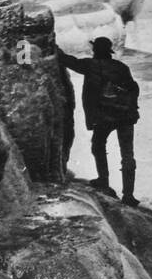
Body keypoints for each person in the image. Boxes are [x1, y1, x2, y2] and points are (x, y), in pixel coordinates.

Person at [57, 37, 141, 205]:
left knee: (98, 145)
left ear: (96, 51)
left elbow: (68, 61)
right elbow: (133, 89)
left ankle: (104, 180)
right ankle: (129, 195)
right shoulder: (121, 67)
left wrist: (53, 47)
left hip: (105, 117)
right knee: (127, 155)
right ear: (109, 52)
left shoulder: (91, 65)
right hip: (126, 116)